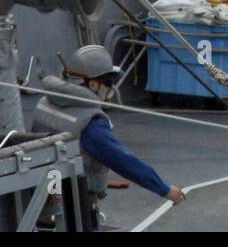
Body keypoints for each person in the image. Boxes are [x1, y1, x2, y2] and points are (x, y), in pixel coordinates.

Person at [31, 45, 185, 227]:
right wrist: (165, 189)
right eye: (108, 83)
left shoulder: (44, 102)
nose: (110, 90)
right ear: (93, 84)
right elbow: (124, 161)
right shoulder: (90, 122)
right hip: (75, 209)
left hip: (42, 204)